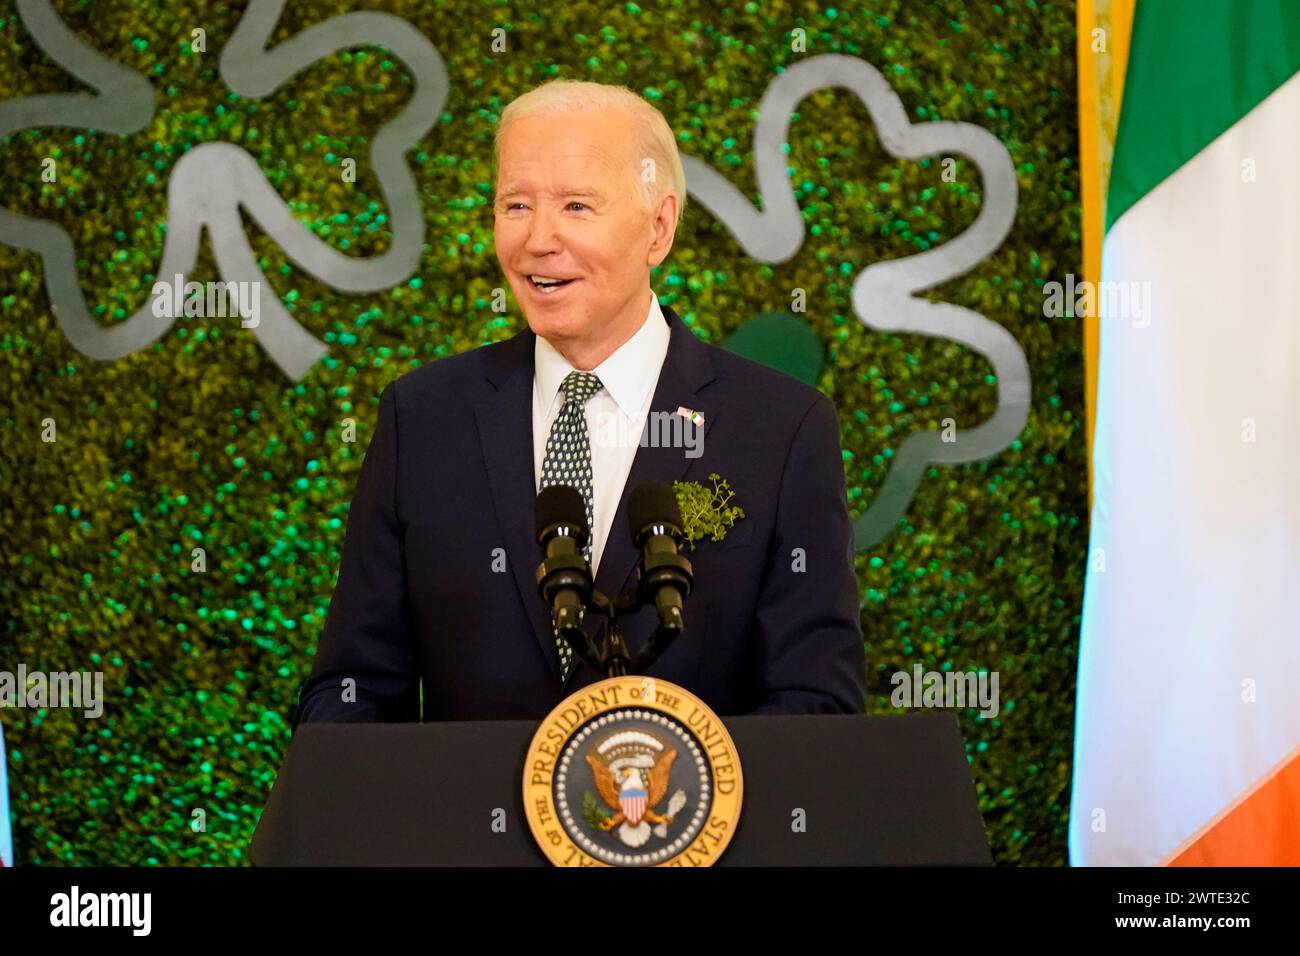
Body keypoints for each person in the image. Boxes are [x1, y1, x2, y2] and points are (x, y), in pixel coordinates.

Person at [293, 80, 866, 724]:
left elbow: (818, 702)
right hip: (465, 824)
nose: (538, 239)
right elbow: (352, 688)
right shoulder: (421, 418)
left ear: (658, 228)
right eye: (515, 206)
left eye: (576, 206)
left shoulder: (783, 429)